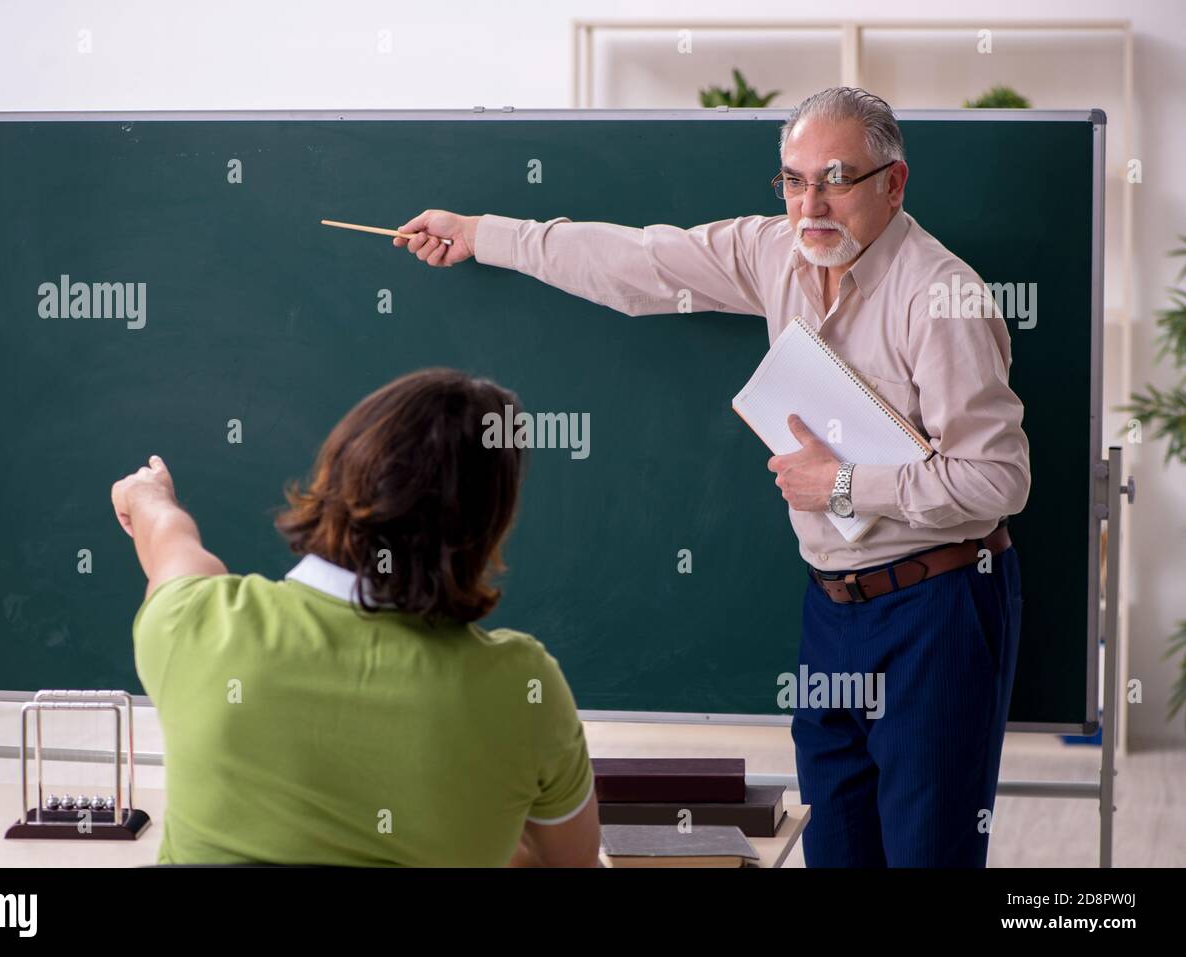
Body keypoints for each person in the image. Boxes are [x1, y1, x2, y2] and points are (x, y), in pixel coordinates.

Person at [392, 88, 1029, 868]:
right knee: (836, 849)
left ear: (894, 184)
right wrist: (480, 234)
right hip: (831, 608)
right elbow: (636, 264)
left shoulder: (941, 296)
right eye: (793, 181)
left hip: (938, 607)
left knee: (927, 853)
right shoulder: (775, 253)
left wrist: (841, 485)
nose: (811, 204)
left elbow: (998, 479)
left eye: (835, 178)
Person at [111, 368, 600, 866]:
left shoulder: (196, 624)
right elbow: (569, 863)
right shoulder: (524, 688)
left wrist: (147, 496)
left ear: (334, 476)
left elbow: (170, 540)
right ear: (489, 526)